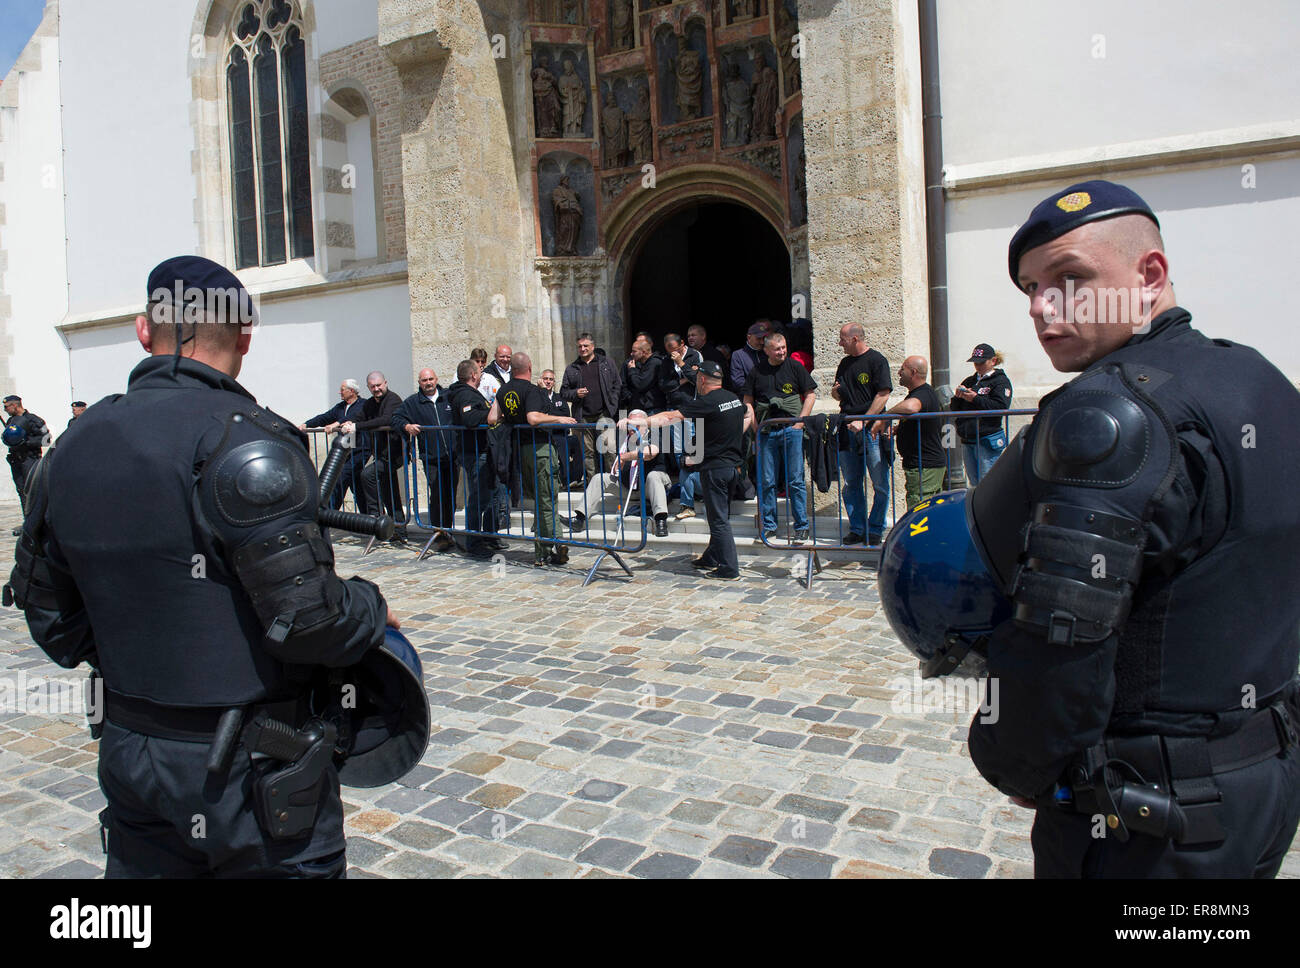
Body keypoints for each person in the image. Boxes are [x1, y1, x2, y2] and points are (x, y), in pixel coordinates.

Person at [5, 256, 393, 877]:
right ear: (244, 337)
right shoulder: (250, 444)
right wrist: (371, 605)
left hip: (132, 752)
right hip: (257, 772)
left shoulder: (71, 446)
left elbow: (50, 619)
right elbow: (312, 624)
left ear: (142, 331)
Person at [968, 179, 1300, 877]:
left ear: (1148, 275)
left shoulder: (1105, 416)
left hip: (1148, 819)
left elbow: (1063, 644)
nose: (1039, 306)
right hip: (1261, 784)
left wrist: (1017, 760)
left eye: (1069, 279)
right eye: (1031, 287)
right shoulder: (1260, 377)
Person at [643, 361, 752, 580]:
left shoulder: (706, 402)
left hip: (715, 469)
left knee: (719, 520)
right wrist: (731, 437)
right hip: (732, 469)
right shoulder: (732, 398)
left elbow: (670, 416)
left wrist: (642, 421)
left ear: (701, 379)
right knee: (719, 517)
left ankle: (729, 569)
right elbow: (748, 413)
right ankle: (711, 557)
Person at [490, 352, 575, 566]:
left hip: (522, 450)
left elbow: (491, 418)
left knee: (541, 500)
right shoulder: (532, 390)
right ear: (529, 367)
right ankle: (548, 548)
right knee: (547, 499)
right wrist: (559, 417)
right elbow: (533, 417)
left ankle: (551, 546)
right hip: (540, 449)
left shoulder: (504, 390)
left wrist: (508, 416)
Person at [744, 331, 816, 542]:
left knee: (795, 480)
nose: (782, 351)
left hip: (791, 430)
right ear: (766, 350)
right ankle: (768, 526)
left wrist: (801, 421)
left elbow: (810, 394)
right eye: (777, 349)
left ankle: (801, 526)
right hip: (767, 432)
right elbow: (748, 401)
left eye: (784, 347)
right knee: (767, 481)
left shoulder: (795, 367)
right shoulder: (756, 371)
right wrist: (756, 428)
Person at [564, 410, 672, 538]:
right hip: (629, 487)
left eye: (635, 425)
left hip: (651, 487)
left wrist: (624, 457)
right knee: (599, 478)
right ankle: (579, 518)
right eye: (629, 426)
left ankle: (660, 520)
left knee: (653, 476)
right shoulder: (625, 440)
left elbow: (650, 453)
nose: (631, 429)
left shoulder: (654, 434)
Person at [831, 323, 893, 545]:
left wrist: (863, 420)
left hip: (871, 431)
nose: (840, 343)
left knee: (880, 483)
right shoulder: (845, 363)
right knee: (851, 483)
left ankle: (875, 528)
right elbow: (838, 394)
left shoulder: (877, 361)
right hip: (848, 429)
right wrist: (835, 393)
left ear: (855, 339)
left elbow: (883, 394)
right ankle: (857, 527)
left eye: (842, 339)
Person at [393, 368, 457, 553]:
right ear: (419, 382)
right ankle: (439, 532)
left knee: (450, 495)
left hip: (452, 456)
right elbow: (395, 418)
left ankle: (448, 530)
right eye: (424, 380)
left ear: (436, 379)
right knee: (437, 495)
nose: (428, 383)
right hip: (431, 457)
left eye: (430, 379)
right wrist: (406, 426)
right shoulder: (413, 402)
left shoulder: (448, 396)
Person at [872, 355, 945, 509]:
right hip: (921, 464)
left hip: (924, 465)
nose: (899, 372)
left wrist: (885, 417)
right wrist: (900, 429)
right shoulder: (918, 393)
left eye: (902, 369)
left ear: (913, 372)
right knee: (924, 508)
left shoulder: (923, 392)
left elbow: (911, 407)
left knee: (919, 511)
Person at [447, 360, 499, 557]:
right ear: (473, 375)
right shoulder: (465, 394)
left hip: (477, 452)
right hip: (475, 452)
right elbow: (469, 419)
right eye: (479, 371)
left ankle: (481, 538)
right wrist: (491, 414)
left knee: (483, 496)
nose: (481, 374)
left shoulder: (464, 393)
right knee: (478, 498)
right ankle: (474, 542)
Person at [347, 371, 407, 544]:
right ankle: (399, 530)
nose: (376, 389)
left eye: (379, 385)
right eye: (372, 386)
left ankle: (375, 515)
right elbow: (359, 417)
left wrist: (357, 426)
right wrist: (348, 423)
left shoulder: (393, 399)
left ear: (385, 383)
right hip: (381, 454)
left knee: (367, 475)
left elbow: (386, 419)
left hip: (393, 455)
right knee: (390, 492)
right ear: (368, 387)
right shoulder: (370, 404)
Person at [299, 379, 369, 513]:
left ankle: (328, 515)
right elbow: (325, 417)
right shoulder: (341, 406)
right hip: (345, 452)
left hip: (359, 450)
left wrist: (336, 423)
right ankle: (370, 516)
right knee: (357, 485)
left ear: (352, 391)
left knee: (340, 479)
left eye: (342, 389)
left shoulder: (363, 404)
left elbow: (355, 416)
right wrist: (306, 424)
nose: (340, 392)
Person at [560, 332, 621, 481]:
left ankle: (613, 482)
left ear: (593, 347)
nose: (582, 349)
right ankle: (593, 484)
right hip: (583, 416)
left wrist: (612, 405)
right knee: (588, 452)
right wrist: (575, 393)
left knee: (609, 448)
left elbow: (617, 385)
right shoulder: (572, 368)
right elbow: (563, 392)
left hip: (604, 413)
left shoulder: (607, 363)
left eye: (585, 345)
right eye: (580, 346)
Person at [950, 343, 1014, 485]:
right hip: (969, 439)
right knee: (974, 484)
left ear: (993, 361)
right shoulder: (970, 381)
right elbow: (954, 408)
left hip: (987, 439)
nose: (978, 366)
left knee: (989, 483)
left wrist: (975, 398)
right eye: (975, 363)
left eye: (981, 362)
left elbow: (1000, 407)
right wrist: (958, 396)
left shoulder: (1000, 381)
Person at [3, 395, 49, 532]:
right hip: (16, 460)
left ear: (15, 406)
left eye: (6, 407)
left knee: (33, 491)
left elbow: (46, 440)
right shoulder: (11, 420)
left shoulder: (34, 420)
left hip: (30, 459)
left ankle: (41, 522)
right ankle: (28, 522)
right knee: (22, 491)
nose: (5, 410)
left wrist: (27, 442)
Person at [622, 337, 666, 414]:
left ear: (644, 352)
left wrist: (632, 370)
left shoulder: (654, 363)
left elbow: (640, 384)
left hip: (653, 409)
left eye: (634, 351)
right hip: (641, 407)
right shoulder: (644, 364)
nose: (631, 354)